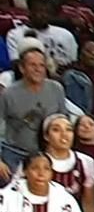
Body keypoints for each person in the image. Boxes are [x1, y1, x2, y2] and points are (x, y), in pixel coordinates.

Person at [0, 47, 67, 177]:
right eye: (33, 65)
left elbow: (63, 122)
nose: (38, 69)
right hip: (15, 155)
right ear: (22, 68)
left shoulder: (56, 89)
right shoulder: (8, 94)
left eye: (42, 65)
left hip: (48, 155)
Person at [5, 0, 78, 67]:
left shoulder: (65, 34)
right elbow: (16, 63)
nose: (44, 15)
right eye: (40, 11)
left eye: (47, 11)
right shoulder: (15, 34)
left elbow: (74, 63)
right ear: (29, 12)